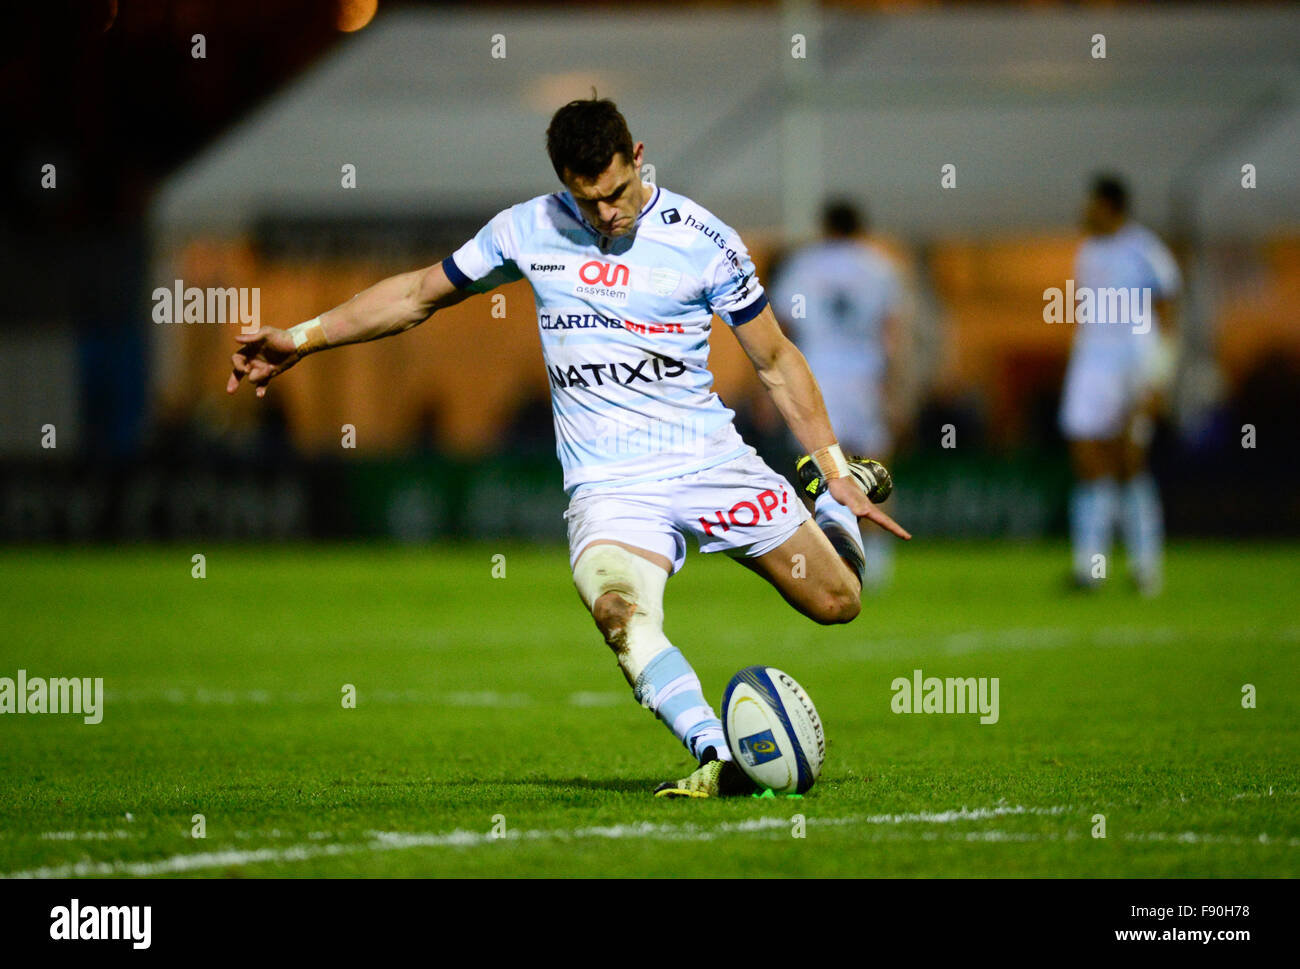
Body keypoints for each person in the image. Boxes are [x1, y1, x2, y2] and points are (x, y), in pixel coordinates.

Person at [226, 97, 909, 796]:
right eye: (589, 200)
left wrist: (830, 463)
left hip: (708, 461)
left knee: (839, 602)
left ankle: (830, 500)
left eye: (617, 191)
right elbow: (415, 295)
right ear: (564, 183)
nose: (607, 213)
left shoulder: (704, 238)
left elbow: (775, 360)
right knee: (618, 612)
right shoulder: (529, 228)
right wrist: (302, 337)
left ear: (638, 156)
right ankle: (718, 754)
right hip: (611, 486)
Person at [769, 199, 905, 589]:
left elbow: (782, 327)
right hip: (865, 374)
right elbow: (890, 330)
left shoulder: (804, 264)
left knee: (820, 468)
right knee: (874, 465)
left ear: (825, 227)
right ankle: (878, 561)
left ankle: (831, 557)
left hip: (817, 375)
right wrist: (892, 385)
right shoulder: (880, 267)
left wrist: (772, 385)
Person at [1059, 174, 1180, 596]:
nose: (1084, 211)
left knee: (1131, 463)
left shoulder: (1145, 250)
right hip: (1092, 366)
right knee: (1088, 463)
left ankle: (1146, 568)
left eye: (1090, 204)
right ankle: (1090, 568)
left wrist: (1159, 377)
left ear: (1109, 206)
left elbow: (1167, 313)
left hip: (1133, 364)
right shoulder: (1087, 250)